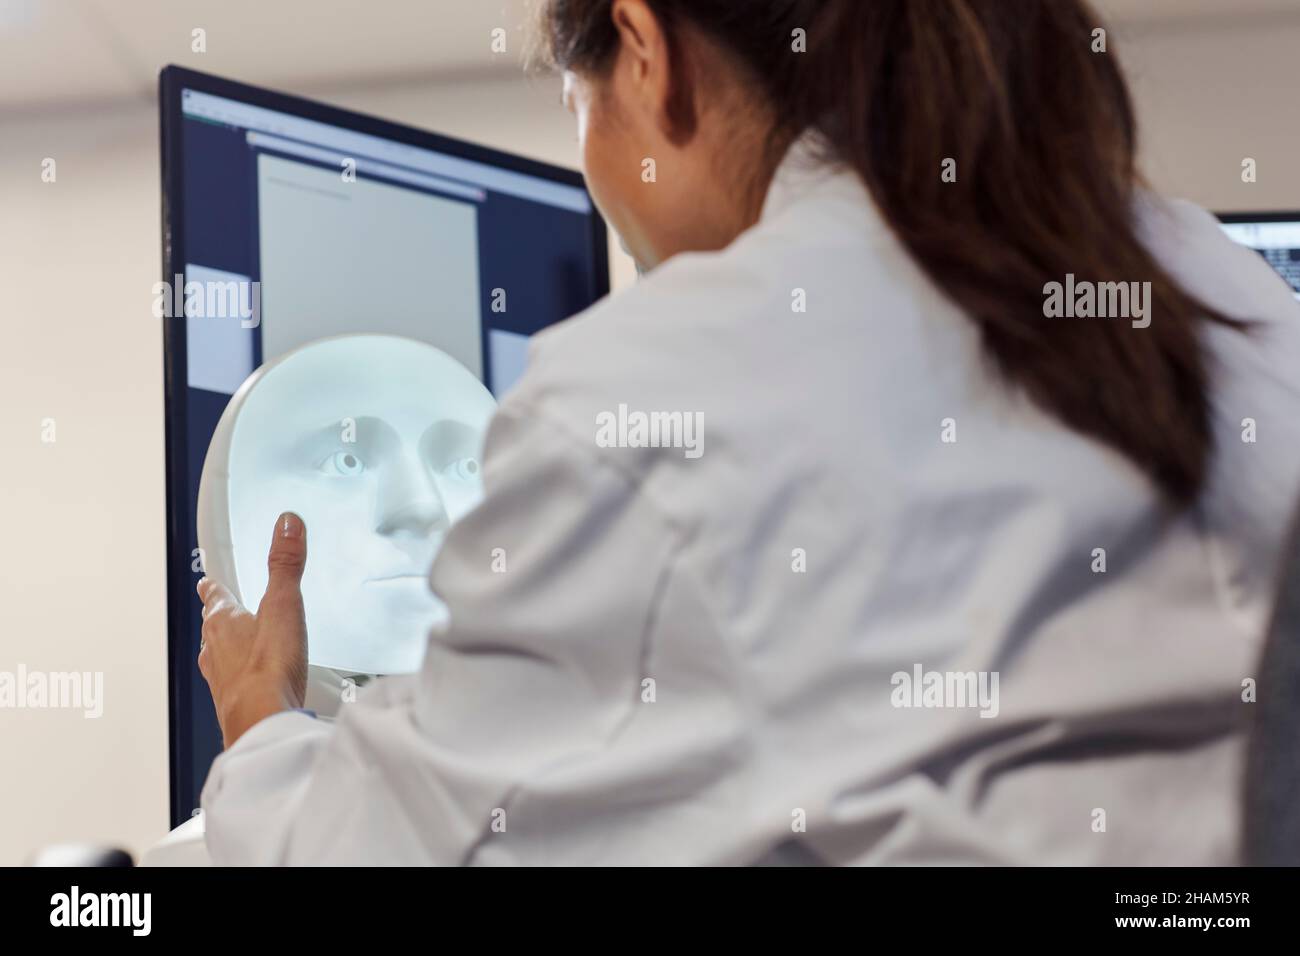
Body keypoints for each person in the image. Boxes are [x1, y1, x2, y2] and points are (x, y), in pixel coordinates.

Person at [194, 0, 1300, 864]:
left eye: (578, 114)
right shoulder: (1234, 292)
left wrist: (259, 728)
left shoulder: (665, 393)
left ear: (642, 50)